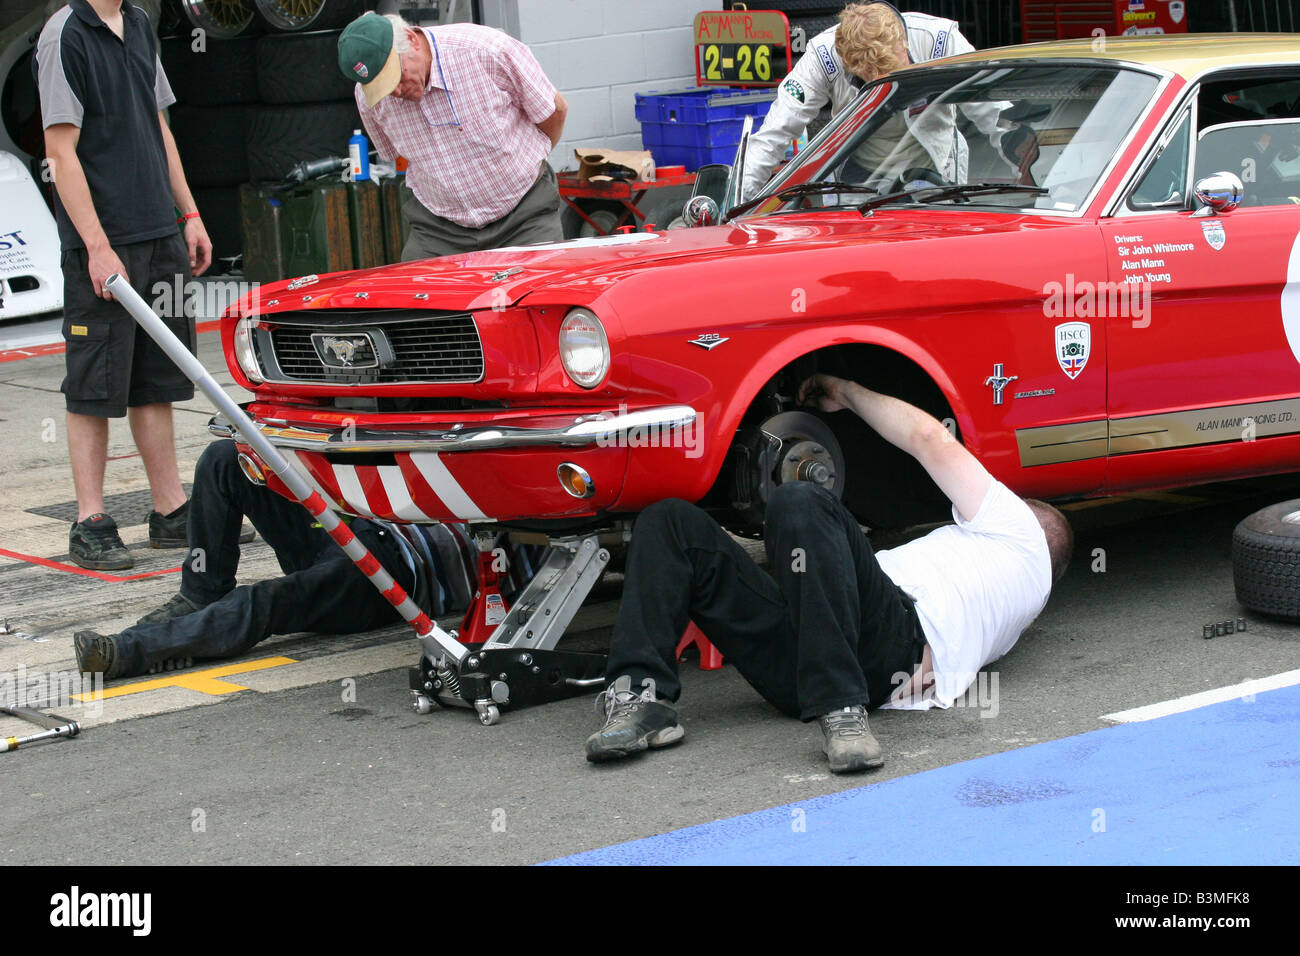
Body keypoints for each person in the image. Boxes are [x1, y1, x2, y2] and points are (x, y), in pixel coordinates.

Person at [585, 374, 1073, 773]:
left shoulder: (1018, 527)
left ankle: (643, 692)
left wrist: (845, 393)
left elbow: (929, 439)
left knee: (789, 499)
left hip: (875, 647)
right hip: (814, 668)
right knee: (673, 521)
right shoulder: (1019, 613)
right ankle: (646, 702)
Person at [73, 439, 540, 680]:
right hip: (353, 520)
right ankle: (200, 594)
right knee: (225, 457)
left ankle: (127, 651)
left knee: (267, 601)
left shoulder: (554, 518)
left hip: (389, 574)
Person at [37, 0, 213, 570]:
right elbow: (60, 152)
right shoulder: (64, 34)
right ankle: (90, 521)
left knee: (155, 380)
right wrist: (96, 245)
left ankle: (170, 510)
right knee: (94, 381)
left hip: (159, 231)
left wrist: (188, 214)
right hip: (103, 241)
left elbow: (159, 126)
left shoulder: (138, 24)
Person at [741, 1, 1038, 201]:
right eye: (866, 78)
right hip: (856, 180)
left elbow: (995, 115)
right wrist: (737, 210)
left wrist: (1027, 178)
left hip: (933, 171)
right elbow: (773, 135)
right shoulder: (822, 55)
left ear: (903, 42)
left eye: (889, 72)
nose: (879, 81)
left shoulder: (941, 40)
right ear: (846, 59)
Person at [337, 12, 568, 260]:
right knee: (414, 297)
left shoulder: (486, 51)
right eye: (382, 87)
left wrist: (525, 164)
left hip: (524, 215)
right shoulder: (368, 99)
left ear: (411, 39)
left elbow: (554, 111)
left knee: (540, 294)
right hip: (438, 229)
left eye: (396, 76)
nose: (396, 91)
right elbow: (392, 154)